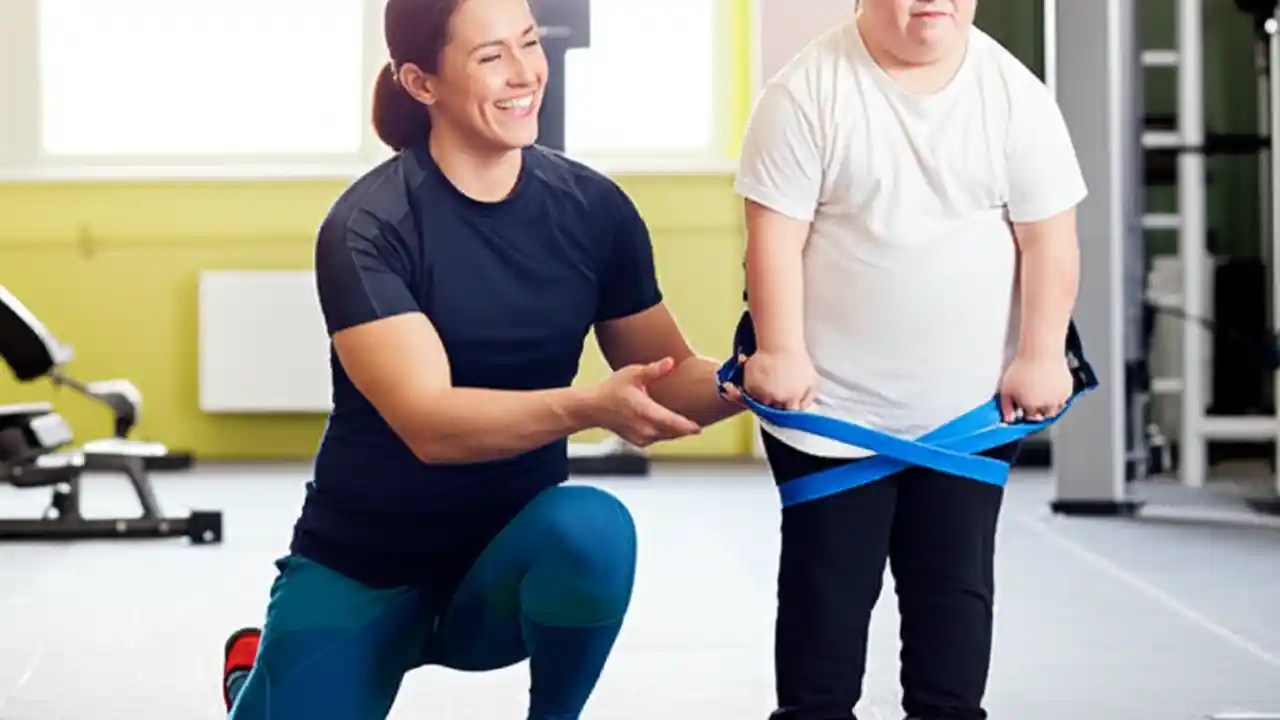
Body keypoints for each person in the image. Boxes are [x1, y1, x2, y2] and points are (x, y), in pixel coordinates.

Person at [218, 0, 741, 717]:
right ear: (420, 82)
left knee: (591, 527)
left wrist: (749, 375)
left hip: (502, 567)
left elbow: (666, 378)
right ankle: (260, 675)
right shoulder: (369, 225)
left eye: (528, 43)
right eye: (491, 55)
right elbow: (430, 424)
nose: (525, 72)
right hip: (362, 566)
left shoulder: (594, 209)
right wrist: (588, 405)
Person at [734, 1, 1086, 718]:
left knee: (952, 612)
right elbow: (773, 238)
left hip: (965, 422)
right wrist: (780, 348)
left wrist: (1043, 353)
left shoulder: (1016, 98)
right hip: (829, 421)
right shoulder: (806, 92)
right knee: (822, 621)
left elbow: (1049, 239)